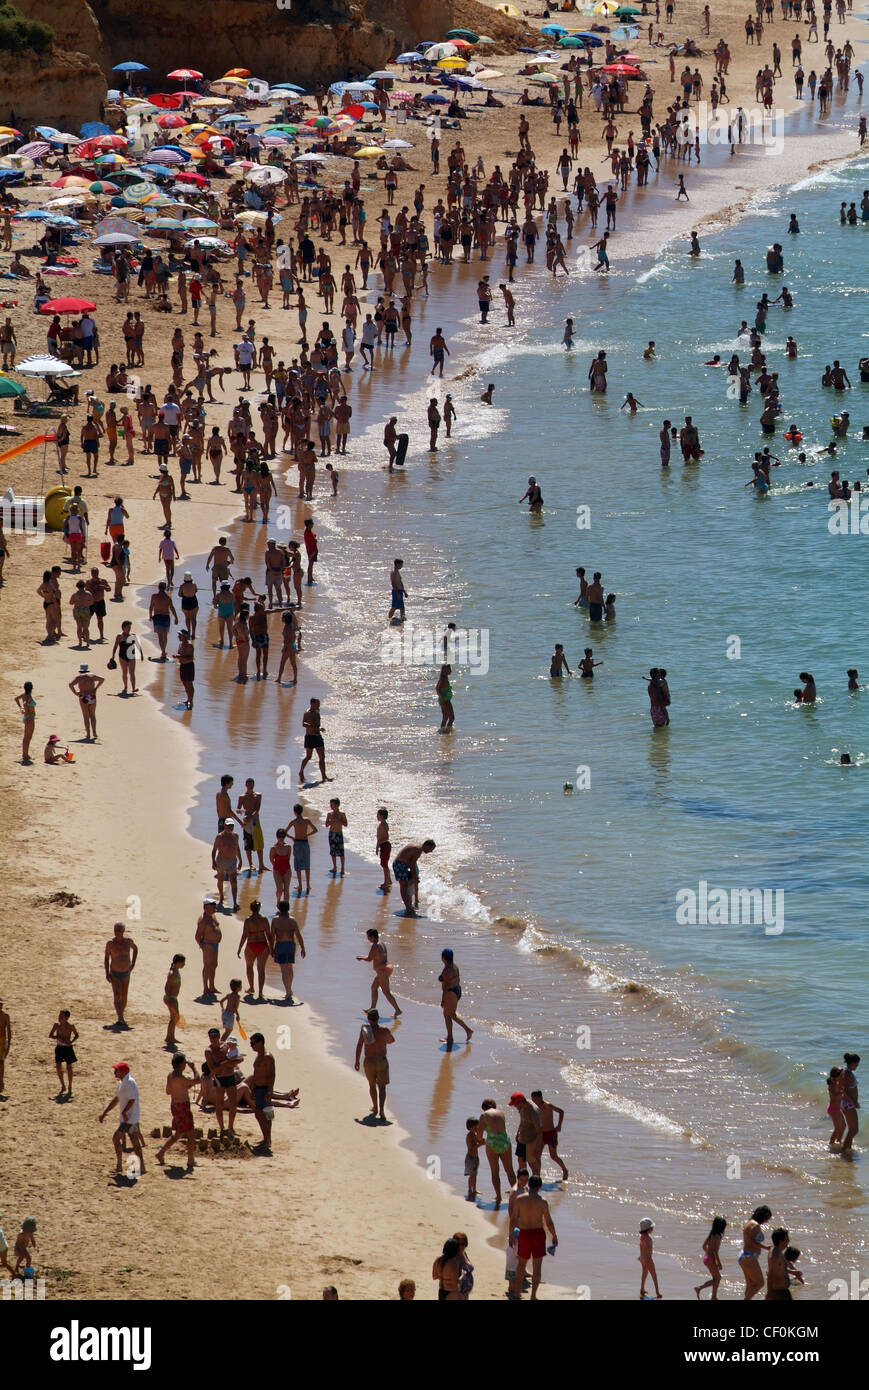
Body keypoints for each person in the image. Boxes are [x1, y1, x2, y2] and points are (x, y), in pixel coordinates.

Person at [510, 1176, 557, 1301]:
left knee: (521, 1265)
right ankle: (533, 1296)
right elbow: (549, 1222)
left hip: (524, 1233)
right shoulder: (542, 1201)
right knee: (537, 1267)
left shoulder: (519, 1199)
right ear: (540, 1186)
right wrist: (554, 1236)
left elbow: (513, 1219)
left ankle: (517, 1293)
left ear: (528, 1185)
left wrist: (511, 1236)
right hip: (537, 1234)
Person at [99, 1061, 145, 1176]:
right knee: (135, 1142)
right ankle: (141, 1167)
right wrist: (105, 1112)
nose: (115, 1072)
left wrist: (124, 1112)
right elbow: (117, 1099)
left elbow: (132, 1099)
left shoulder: (130, 1082)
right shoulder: (122, 1082)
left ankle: (119, 1165)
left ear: (123, 1072)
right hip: (129, 1119)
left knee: (116, 1138)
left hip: (129, 1119)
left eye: (117, 1070)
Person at [155, 1054, 199, 1169]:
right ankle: (190, 1160)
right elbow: (197, 1080)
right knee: (190, 1134)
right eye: (184, 1063)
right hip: (183, 1106)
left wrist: (182, 1087)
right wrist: (193, 1068)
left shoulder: (171, 1075)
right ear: (181, 1065)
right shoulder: (180, 1078)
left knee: (178, 1134)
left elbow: (168, 1091)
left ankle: (161, 1153)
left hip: (175, 1105)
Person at [354, 1007, 395, 1120]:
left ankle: (375, 1107)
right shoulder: (384, 1030)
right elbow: (392, 1040)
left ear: (368, 1019)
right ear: (378, 1018)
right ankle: (381, 1110)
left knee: (372, 1085)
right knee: (382, 1088)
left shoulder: (365, 1030)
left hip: (369, 1061)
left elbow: (359, 1045)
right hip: (381, 1060)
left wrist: (357, 1060)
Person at [476, 1098, 515, 1205]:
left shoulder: (484, 1115)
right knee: (510, 1170)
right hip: (505, 1140)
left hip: (493, 1143)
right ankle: (517, 1195)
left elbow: (479, 1136)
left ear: (484, 1108)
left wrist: (481, 1141)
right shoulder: (501, 1113)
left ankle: (498, 1197)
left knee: (495, 1171)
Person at [104, 922, 137, 1029]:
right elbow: (106, 958)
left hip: (126, 972)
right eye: (116, 930)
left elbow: (136, 949)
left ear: (123, 931)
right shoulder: (110, 944)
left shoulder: (128, 942)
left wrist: (133, 963)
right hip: (115, 972)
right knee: (117, 995)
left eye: (119, 930)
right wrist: (107, 973)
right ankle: (120, 1017)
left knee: (124, 995)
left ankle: (121, 1016)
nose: (117, 932)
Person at [271, 902, 306, 1003]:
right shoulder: (293, 920)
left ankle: (288, 992)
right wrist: (303, 948)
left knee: (284, 969)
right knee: (289, 968)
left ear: (279, 908)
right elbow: (298, 935)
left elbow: (272, 935)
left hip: (280, 944)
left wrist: (271, 948)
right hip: (291, 945)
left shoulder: (275, 920)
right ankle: (289, 989)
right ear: (288, 908)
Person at [438, 948, 473, 1049]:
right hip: (456, 990)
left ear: (444, 958)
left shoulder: (447, 970)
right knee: (446, 1015)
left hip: (450, 992)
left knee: (451, 1015)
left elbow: (445, 986)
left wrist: (443, 999)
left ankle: (468, 1030)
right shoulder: (454, 966)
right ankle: (450, 1037)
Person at [530, 1090, 568, 1180]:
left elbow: (561, 1112)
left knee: (553, 1156)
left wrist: (559, 1125)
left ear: (541, 1098)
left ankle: (565, 1170)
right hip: (541, 1135)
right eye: (533, 1100)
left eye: (536, 1099)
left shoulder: (548, 1105)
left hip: (551, 1133)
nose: (534, 1102)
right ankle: (537, 1176)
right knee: (537, 1155)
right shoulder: (533, 1108)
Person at [237, 900, 272, 998]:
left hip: (251, 944)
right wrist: (272, 948)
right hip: (262, 944)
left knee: (249, 966)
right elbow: (269, 935)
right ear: (259, 908)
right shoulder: (264, 919)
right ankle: (260, 992)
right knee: (261, 970)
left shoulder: (248, 920)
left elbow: (244, 935)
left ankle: (251, 987)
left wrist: (239, 948)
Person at [392, 840, 435, 917]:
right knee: (403, 886)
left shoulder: (418, 847)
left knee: (406, 885)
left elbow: (411, 862)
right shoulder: (418, 850)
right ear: (427, 846)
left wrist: (415, 876)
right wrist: (415, 877)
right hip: (399, 864)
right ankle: (408, 908)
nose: (431, 852)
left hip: (402, 865)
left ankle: (409, 906)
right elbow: (412, 864)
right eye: (431, 849)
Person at [249, 1032, 276, 1152]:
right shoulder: (258, 1056)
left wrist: (269, 1092)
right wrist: (253, 1088)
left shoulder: (267, 1056)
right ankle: (266, 1138)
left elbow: (272, 1075)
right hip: (258, 1089)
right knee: (261, 1115)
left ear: (260, 1042)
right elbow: (256, 1074)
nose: (251, 1046)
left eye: (253, 1043)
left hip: (265, 1089)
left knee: (266, 1115)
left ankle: (267, 1140)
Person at [740, 1205, 771, 1298]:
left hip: (744, 1256)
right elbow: (751, 1241)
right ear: (763, 1216)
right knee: (760, 1283)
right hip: (749, 1256)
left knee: (750, 1285)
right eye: (767, 1218)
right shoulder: (755, 1225)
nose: (768, 1221)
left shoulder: (749, 1222)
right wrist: (766, 1247)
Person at [287, 803, 318, 895]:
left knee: (298, 865)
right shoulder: (306, 820)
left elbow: (284, 832)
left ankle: (300, 885)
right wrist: (307, 834)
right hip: (305, 843)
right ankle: (308, 885)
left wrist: (292, 837)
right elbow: (315, 830)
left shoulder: (294, 821)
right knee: (307, 865)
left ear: (294, 812)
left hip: (297, 843)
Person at [299, 697, 332, 784]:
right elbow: (303, 723)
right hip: (310, 737)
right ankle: (301, 772)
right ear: (312, 704)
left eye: (319, 703)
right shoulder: (307, 713)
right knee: (308, 757)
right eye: (317, 703)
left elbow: (318, 724)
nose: (319, 705)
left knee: (322, 757)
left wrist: (320, 728)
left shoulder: (317, 712)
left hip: (318, 736)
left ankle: (324, 776)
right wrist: (311, 726)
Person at [212, 820, 242, 910]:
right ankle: (221, 896)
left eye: (232, 826)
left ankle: (235, 902)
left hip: (232, 861)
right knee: (220, 879)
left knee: (234, 882)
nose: (230, 828)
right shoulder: (220, 837)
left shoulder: (235, 836)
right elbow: (214, 850)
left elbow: (237, 848)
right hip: (221, 861)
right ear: (224, 826)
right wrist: (213, 861)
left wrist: (240, 860)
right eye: (228, 826)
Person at [195, 897, 222, 997]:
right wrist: (202, 946)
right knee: (207, 966)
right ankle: (205, 988)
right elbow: (197, 936)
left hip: (215, 944)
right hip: (208, 944)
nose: (214, 908)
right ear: (206, 908)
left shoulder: (213, 916)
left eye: (214, 906)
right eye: (212, 907)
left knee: (214, 965)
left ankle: (212, 986)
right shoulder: (203, 920)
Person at [695, 1216, 727, 1300]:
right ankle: (699, 1288)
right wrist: (718, 1262)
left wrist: (707, 1254)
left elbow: (703, 1246)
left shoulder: (711, 1234)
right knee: (718, 1278)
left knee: (716, 1278)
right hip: (710, 1259)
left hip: (706, 1258)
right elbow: (715, 1251)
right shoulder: (717, 1236)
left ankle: (714, 1297)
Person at [69, 665, 103, 741]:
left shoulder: (79, 677)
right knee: (93, 715)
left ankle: (88, 734)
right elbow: (102, 679)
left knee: (86, 716)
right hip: (92, 696)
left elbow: (70, 684)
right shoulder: (92, 676)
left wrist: (76, 693)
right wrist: (96, 689)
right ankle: (94, 732)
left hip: (83, 696)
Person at [49, 1009, 78, 1096]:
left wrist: (71, 1042)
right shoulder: (56, 1025)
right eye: (59, 1016)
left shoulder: (70, 1026)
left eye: (61, 1016)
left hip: (68, 1048)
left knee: (69, 1067)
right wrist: (57, 1037)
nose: (59, 1018)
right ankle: (63, 1085)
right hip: (59, 1047)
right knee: (58, 1066)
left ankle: (70, 1086)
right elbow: (50, 1035)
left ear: (67, 1018)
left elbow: (76, 1035)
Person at [163, 953, 185, 1049]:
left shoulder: (175, 970)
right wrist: (169, 998)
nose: (184, 964)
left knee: (174, 1017)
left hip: (173, 997)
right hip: (171, 998)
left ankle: (170, 1037)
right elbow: (167, 987)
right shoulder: (172, 973)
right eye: (183, 962)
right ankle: (169, 1037)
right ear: (178, 962)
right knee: (174, 1018)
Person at [841, 1052, 860, 1152]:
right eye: (856, 1064)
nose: (857, 1066)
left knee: (852, 1129)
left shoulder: (848, 1072)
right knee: (854, 1130)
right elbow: (843, 1090)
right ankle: (844, 1150)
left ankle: (848, 1148)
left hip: (848, 1103)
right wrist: (854, 1102)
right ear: (851, 1063)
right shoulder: (847, 1074)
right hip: (848, 1103)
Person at [766, 1228, 792, 1301]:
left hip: (782, 1291)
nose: (789, 1241)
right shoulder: (776, 1255)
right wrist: (769, 1293)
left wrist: (793, 1272)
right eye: (787, 1239)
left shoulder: (777, 1251)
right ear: (781, 1241)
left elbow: (778, 1269)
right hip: (779, 1292)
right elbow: (770, 1274)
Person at [639, 1218, 662, 1299]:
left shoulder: (642, 1237)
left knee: (644, 1273)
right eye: (652, 1228)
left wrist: (641, 1256)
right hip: (648, 1259)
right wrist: (648, 1259)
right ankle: (657, 1291)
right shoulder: (649, 1239)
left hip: (642, 1258)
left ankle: (642, 1289)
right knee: (654, 1275)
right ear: (649, 1229)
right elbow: (649, 1251)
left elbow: (641, 1247)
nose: (653, 1229)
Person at [325, 797, 347, 876]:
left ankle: (342, 868)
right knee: (332, 852)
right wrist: (330, 821)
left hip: (338, 834)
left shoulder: (342, 814)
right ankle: (334, 867)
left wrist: (338, 820)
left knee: (341, 853)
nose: (331, 806)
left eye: (332, 804)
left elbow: (345, 824)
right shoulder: (329, 814)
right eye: (330, 804)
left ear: (337, 805)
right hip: (332, 834)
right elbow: (326, 825)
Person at [0, 999, 9, 1096]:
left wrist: (9, 1044)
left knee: (1, 1062)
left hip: (2, 1040)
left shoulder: (5, 1016)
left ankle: (1, 1082)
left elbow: (8, 1031)